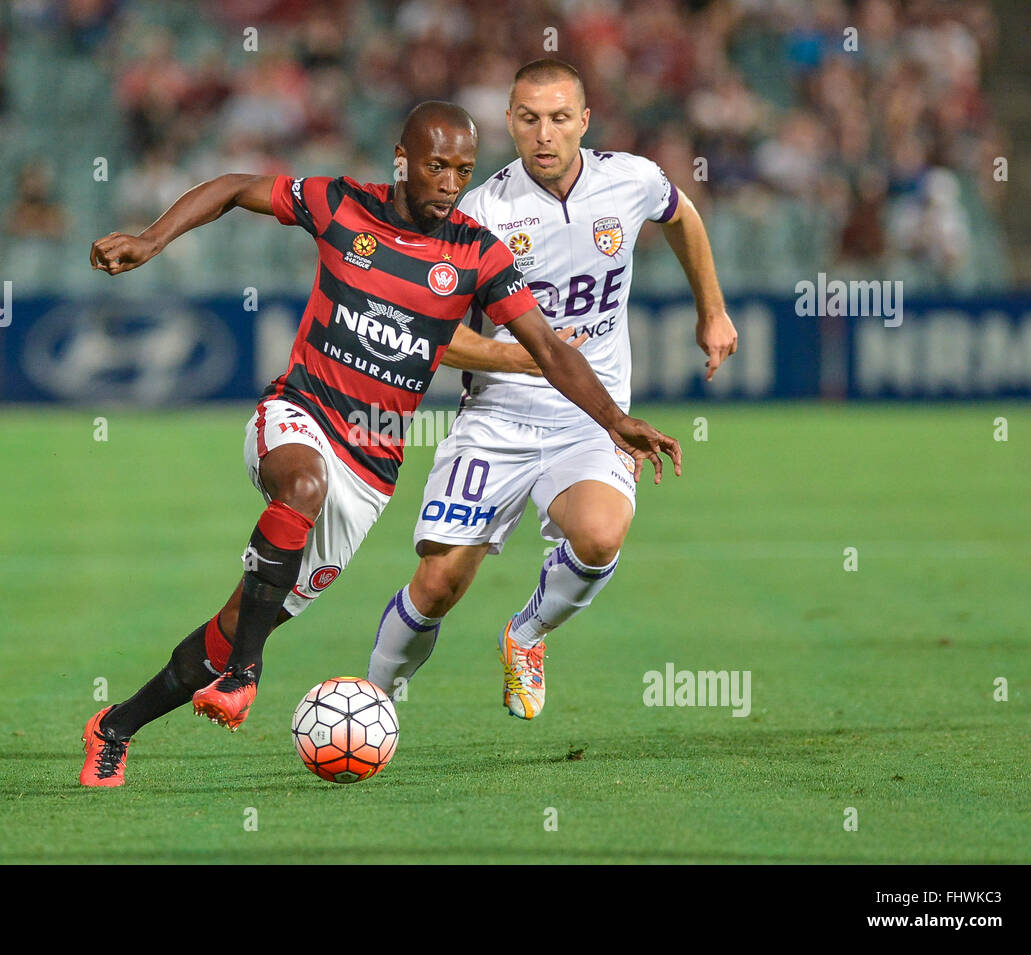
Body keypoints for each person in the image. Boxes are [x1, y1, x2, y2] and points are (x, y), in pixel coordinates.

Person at [80, 100, 680, 786]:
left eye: (463, 169)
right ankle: (248, 675)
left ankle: (117, 725)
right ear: (403, 161)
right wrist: (151, 240)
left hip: (370, 469)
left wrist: (611, 416)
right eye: (436, 165)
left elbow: (547, 345)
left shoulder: (476, 252)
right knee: (300, 487)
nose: (451, 182)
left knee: (245, 617)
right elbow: (233, 187)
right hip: (298, 415)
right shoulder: (340, 206)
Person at [368, 61, 736, 719]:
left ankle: (527, 634)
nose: (545, 135)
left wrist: (711, 309)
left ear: (584, 122)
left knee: (599, 535)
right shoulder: (479, 212)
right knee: (440, 581)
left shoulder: (632, 179)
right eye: (530, 119)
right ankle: (372, 703)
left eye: (560, 118)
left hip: (590, 416)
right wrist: (524, 357)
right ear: (510, 123)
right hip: (498, 417)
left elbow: (682, 218)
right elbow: (436, 336)